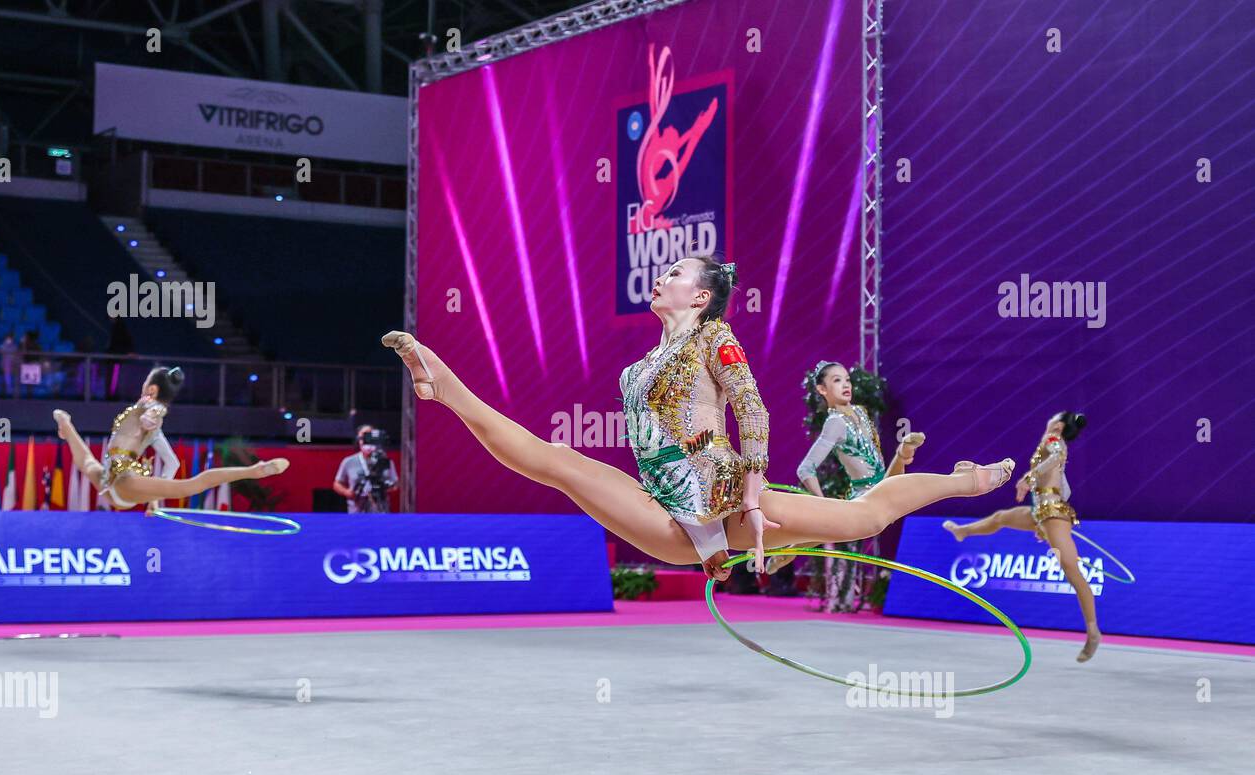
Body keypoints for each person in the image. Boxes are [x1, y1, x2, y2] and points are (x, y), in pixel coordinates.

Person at [381, 255, 1014, 582]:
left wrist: (758, 487)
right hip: (664, 506)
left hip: (725, 498)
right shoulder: (644, 361)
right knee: (560, 465)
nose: (663, 276)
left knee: (864, 516)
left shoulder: (715, 338)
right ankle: (443, 383)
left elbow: (754, 410)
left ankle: (963, 481)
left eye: (677, 273)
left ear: (701, 297)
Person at [943, 412, 1101, 662]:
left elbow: (1057, 457)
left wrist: (1029, 477)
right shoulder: (1048, 443)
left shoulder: (1053, 439)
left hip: (1053, 515)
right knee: (1001, 518)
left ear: (1058, 425)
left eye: (1054, 418)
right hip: (1041, 513)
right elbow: (1064, 483)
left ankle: (1092, 631)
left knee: (1072, 571)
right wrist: (1040, 521)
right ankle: (963, 531)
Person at [763, 361, 927, 576]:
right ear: (822, 390)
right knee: (821, 533)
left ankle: (904, 451)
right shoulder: (835, 423)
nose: (845, 384)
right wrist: (823, 503)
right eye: (837, 380)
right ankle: (789, 552)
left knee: (820, 533)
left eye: (847, 379)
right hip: (865, 495)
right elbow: (805, 469)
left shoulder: (860, 412)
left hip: (885, 482)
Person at [52, 365, 289, 511]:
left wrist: (151, 417)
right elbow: (172, 462)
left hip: (124, 482)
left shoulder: (154, 407)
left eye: (146, 380)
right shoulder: (140, 410)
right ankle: (65, 423)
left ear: (152, 389)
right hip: (110, 481)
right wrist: (154, 497)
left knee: (189, 486)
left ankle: (255, 470)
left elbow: (156, 413)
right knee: (87, 463)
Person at [333, 425, 400, 513]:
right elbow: (337, 484)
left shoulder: (385, 461)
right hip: (356, 511)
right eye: (362, 438)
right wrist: (347, 492)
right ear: (358, 440)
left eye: (369, 437)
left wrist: (384, 488)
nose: (366, 441)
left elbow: (396, 484)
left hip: (380, 512)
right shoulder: (348, 462)